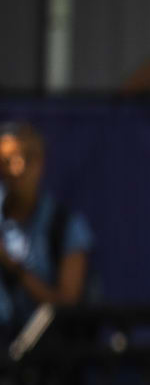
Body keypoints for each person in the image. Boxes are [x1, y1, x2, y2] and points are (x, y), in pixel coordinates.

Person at [0, 122, 93, 343]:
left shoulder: (65, 226)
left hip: (47, 362)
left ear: (41, 163)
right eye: (6, 160)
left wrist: (13, 268)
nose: (17, 168)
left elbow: (66, 304)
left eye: (27, 157)